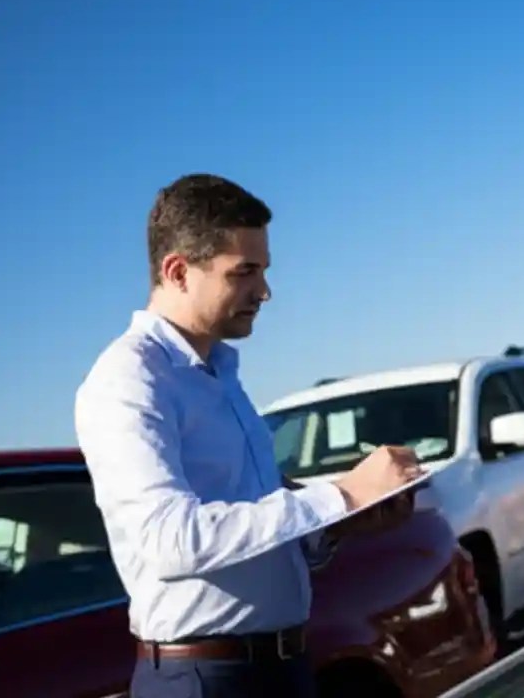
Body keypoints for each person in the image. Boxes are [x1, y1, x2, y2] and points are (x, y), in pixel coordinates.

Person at [75, 174, 422, 697]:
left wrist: (342, 521)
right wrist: (342, 494)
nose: (264, 291)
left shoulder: (219, 374)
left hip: (277, 668)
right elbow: (171, 541)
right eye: (245, 272)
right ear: (177, 272)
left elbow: (255, 523)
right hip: (206, 680)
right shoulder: (128, 379)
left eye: (263, 270)